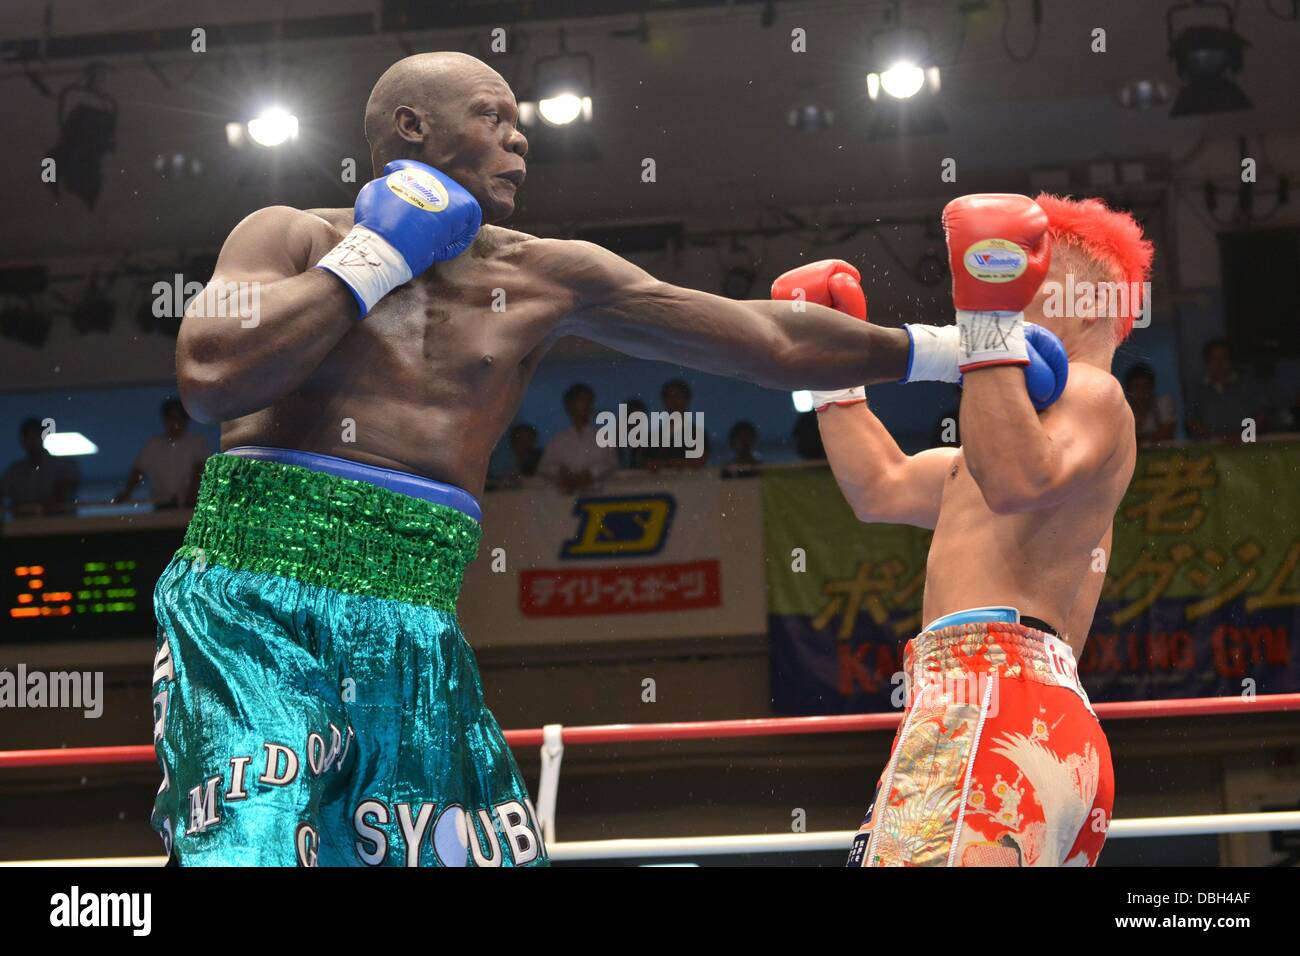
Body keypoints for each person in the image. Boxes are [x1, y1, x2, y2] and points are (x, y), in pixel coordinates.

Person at [155, 51, 971, 867]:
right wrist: (375, 257)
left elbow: (769, 337)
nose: (518, 142)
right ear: (412, 127)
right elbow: (211, 374)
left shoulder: (546, 276)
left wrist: (963, 348)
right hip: (250, 602)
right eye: (492, 117)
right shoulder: (290, 234)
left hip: (415, 617)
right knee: (249, 844)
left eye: (521, 125)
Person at [775, 193, 1153, 867]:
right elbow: (879, 486)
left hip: (992, 701)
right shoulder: (981, 458)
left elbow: (1015, 482)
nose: (1012, 288)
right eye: (1003, 272)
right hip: (1012, 714)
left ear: (1090, 304)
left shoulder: (1096, 397)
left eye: (1031, 277)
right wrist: (831, 374)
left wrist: (985, 318)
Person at [112, 399, 210, 507]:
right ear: (165, 420)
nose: (176, 423)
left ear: (186, 420)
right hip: (161, 504)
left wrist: (192, 492)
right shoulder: (153, 444)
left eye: (180, 418)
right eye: (172, 418)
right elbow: (138, 471)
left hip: (190, 503)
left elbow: (200, 468)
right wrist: (127, 492)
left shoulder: (196, 442)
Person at [537, 383, 618, 493]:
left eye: (589, 401)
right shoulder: (558, 439)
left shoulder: (604, 436)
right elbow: (544, 468)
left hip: (597, 495)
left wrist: (592, 473)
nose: (586, 405)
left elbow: (613, 466)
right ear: (569, 405)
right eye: (581, 401)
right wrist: (560, 472)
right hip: (565, 498)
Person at [0, 417, 80, 516]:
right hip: (24, 528)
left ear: (43, 437)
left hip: (59, 527)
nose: (31, 442)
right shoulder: (14, 471)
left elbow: (64, 492)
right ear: (22, 441)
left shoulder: (64, 466)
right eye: (27, 437)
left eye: (35, 436)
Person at [1186, 339, 1262, 440]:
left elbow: (1261, 416)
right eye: (1214, 358)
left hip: (1246, 444)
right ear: (1206, 361)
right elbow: (1191, 422)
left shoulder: (1248, 385)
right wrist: (1214, 437)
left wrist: (1241, 436)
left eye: (1224, 357)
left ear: (1231, 359)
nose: (1219, 362)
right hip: (1210, 447)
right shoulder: (1197, 389)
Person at [643, 379, 708, 471]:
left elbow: (700, 461)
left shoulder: (696, 433)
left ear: (687, 400)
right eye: (669, 396)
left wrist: (666, 464)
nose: (673, 400)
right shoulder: (654, 435)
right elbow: (646, 462)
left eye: (677, 396)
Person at [1122, 364, 1175, 445]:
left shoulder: (1163, 403)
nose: (1141, 392)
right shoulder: (1122, 409)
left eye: (1145, 386)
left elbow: (1167, 433)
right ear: (1128, 389)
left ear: (1152, 388)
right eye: (1136, 387)